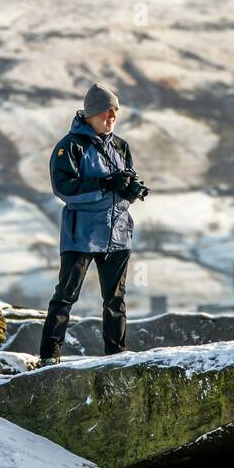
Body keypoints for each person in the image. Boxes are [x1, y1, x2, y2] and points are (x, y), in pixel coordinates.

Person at [37, 83, 140, 362]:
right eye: (107, 113)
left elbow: (123, 185)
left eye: (114, 113)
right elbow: (63, 189)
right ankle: (50, 353)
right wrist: (106, 183)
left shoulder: (121, 146)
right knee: (66, 295)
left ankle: (116, 353)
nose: (111, 119)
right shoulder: (69, 147)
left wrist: (131, 190)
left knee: (115, 299)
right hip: (81, 234)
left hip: (117, 233)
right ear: (90, 114)